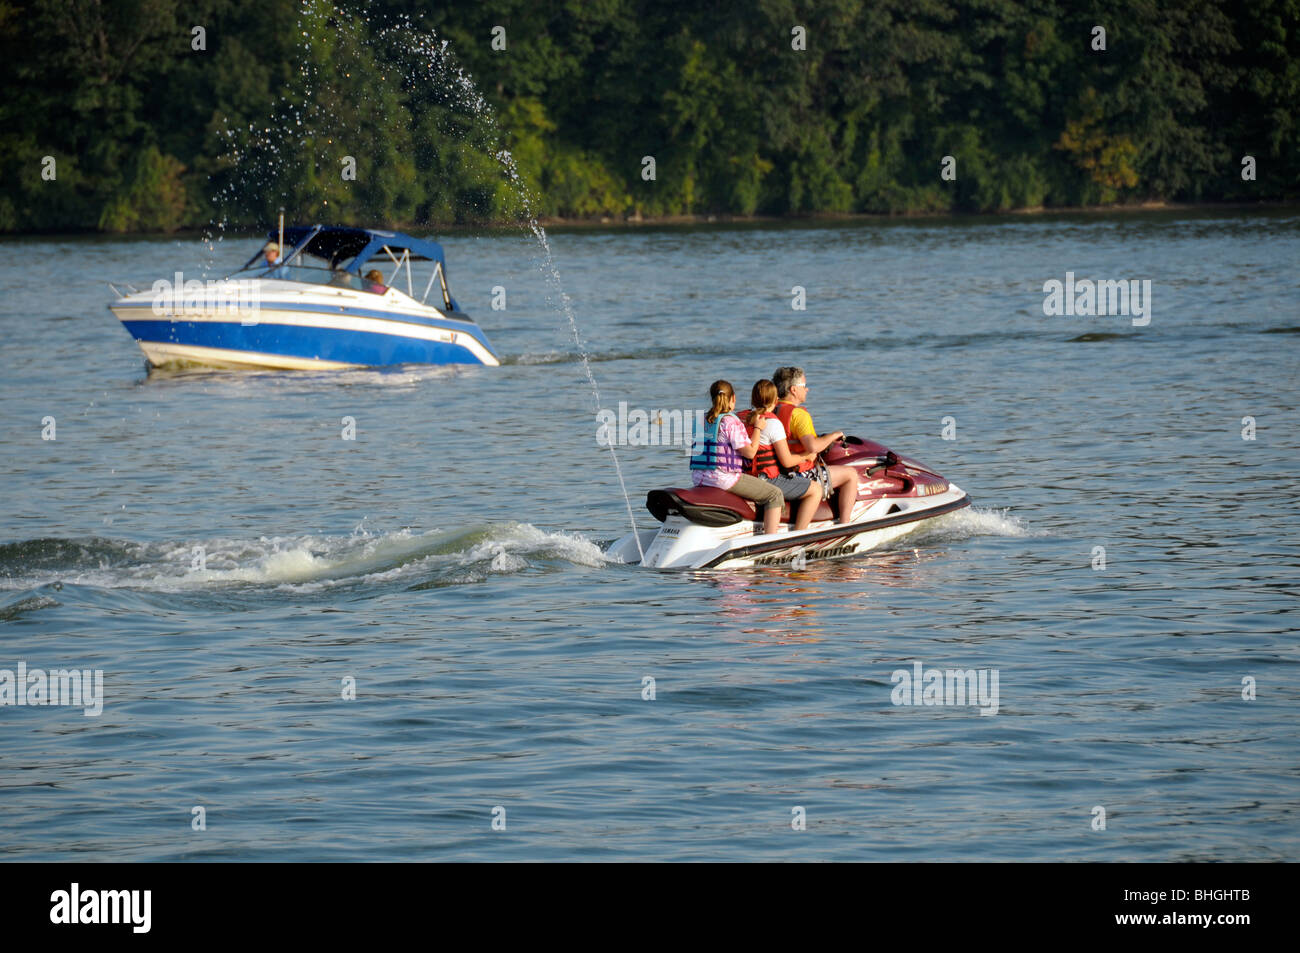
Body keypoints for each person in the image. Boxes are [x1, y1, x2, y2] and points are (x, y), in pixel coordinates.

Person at [689, 380, 784, 535]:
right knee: (775, 494)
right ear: (733, 398)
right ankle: (770, 540)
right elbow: (750, 453)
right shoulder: (731, 421)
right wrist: (758, 428)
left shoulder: (700, 419)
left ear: (712, 398)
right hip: (723, 479)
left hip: (699, 478)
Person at [771, 366, 861, 523]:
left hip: (778, 471)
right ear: (793, 390)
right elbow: (812, 446)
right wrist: (834, 435)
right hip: (800, 472)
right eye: (804, 386)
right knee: (851, 474)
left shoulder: (772, 410)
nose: (807, 389)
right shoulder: (798, 415)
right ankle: (845, 525)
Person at [744, 379, 821, 530]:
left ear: (753, 399)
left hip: (748, 476)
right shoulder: (773, 424)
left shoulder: (743, 419)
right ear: (775, 400)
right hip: (767, 479)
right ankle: (799, 536)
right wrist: (806, 456)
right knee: (816, 489)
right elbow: (787, 461)